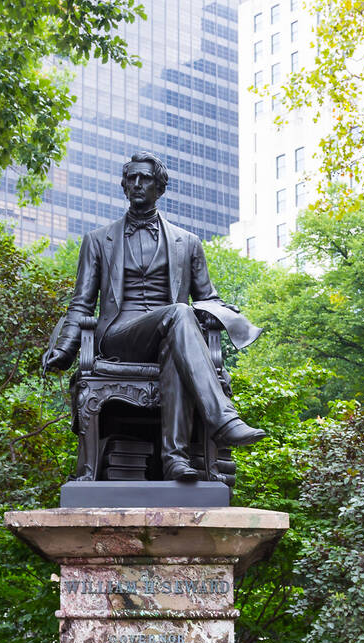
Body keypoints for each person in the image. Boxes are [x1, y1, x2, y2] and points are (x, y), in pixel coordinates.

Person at [42, 151, 267, 481]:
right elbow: (81, 303)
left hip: (171, 337)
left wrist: (225, 313)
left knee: (178, 336)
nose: (136, 183)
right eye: (130, 178)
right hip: (119, 337)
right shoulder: (97, 241)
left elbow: (207, 298)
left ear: (159, 187)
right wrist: (64, 349)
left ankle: (175, 459)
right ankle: (224, 419)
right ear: (124, 186)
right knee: (180, 313)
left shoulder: (188, 242)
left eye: (144, 178)